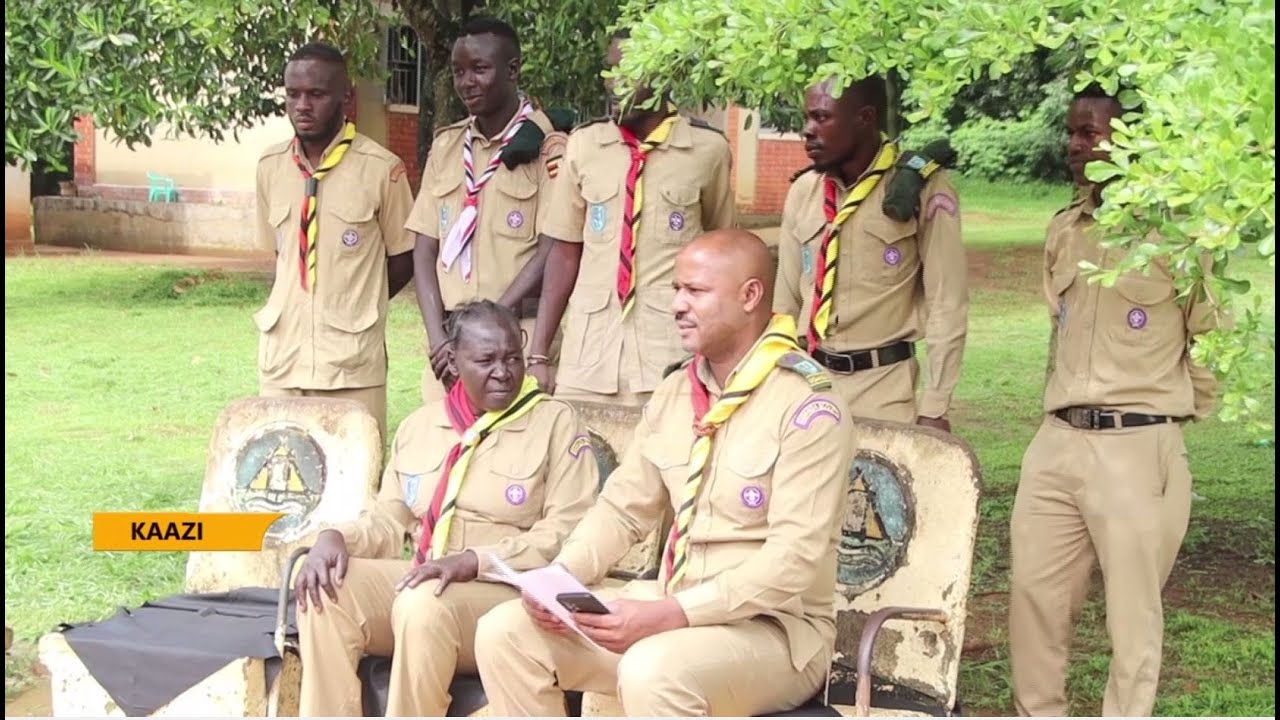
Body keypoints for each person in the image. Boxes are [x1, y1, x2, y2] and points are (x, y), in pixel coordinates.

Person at [474, 229, 854, 716]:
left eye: (694, 291)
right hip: (673, 601)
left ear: (750, 295)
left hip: (773, 630)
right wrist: (562, 579)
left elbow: (794, 559)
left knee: (652, 669)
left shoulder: (807, 405)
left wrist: (674, 614)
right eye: (676, 289)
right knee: (506, 632)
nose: (677, 304)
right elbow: (622, 509)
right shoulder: (678, 392)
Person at [1008, 84, 1222, 717]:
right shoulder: (1064, 231)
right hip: (1056, 443)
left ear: (1129, 140)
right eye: (1072, 132)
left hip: (1137, 443)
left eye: (1090, 133)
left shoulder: (1180, 235)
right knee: (1033, 597)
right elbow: (1060, 330)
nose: (1075, 145)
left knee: (1133, 620)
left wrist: (1166, 425)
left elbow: (1209, 341)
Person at [293, 300, 599, 717]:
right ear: (453, 362)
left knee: (422, 603)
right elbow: (388, 520)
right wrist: (335, 537)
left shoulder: (555, 423)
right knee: (327, 589)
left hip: (504, 594)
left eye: (513, 357)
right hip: (427, 576)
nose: (504, 372)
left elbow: (566, 531)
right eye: (486, 360)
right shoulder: (420, 427)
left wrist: (475, 561)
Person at [523, 29, 736, 407]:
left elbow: (721, 259)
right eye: (609, 72)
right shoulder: (585, 146)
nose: (613, 84)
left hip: (670, 353)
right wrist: (539, 352)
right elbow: (564, 251)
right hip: (588, 354)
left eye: (628, 71)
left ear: (664, 77)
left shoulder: (708, 151)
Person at [774, 74, 968, 431]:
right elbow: (784, 306)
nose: (807, 130)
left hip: (883, 391)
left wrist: (935, 406)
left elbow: (947, 305)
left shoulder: (921, 192)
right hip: (808, 385)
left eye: (821, 117)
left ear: (864, 118)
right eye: (807, 118)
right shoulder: (804, 191)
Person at [252, 42, 415, 441]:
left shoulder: (382, 170)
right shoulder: (270, 167)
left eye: (316, 94)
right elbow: (282, 256)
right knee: (283, 475)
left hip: (352, 364)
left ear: (346, 97)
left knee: (357, 482)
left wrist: (356, 304)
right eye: (293, 94)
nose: (302, 106)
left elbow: (403, 259)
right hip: (283, 361)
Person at [406, 16, 570, 405]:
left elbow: (551, 250)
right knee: (446, 453)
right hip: (451, 348)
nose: (467, 82)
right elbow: (425, 248)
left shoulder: (551, 146)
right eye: (459, 71)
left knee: (517, 458)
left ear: (512, 69)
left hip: (515, 342)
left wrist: (489, 325)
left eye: (479, 69)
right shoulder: (446, 146)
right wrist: (439, 340)